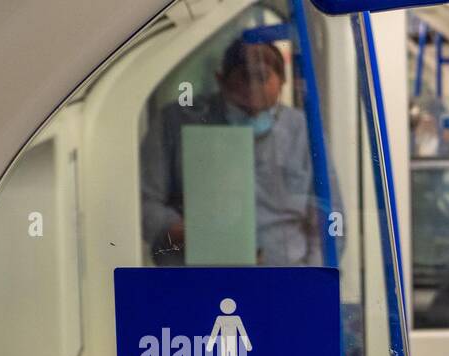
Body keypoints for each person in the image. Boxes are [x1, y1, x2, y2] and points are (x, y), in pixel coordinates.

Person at [140, 38, 337, 267]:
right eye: (245, 76)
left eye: (262, 77)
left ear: (283, 81)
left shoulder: (304, 130)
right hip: (196, 276)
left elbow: (330, 215)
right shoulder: (176, 123)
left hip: (282, 277)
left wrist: (311, 281)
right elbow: (143, 203)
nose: (254, 91)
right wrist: (189, 231)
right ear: (220, 80)